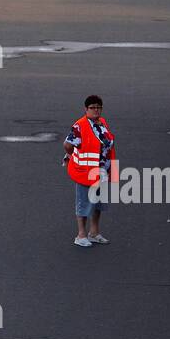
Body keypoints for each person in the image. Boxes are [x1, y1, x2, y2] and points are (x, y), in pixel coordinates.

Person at [63, 94, 116, 247]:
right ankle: (81, 235)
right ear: (86, 109)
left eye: (99, 107)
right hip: (86, 171)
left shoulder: (102, 122)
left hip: (101, 171)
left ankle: (94, 232)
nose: (96, 110)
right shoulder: (80, 126)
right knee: (84, 202)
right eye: (92, 107)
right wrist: (71, 155)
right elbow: (67, 144)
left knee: (98, 203)